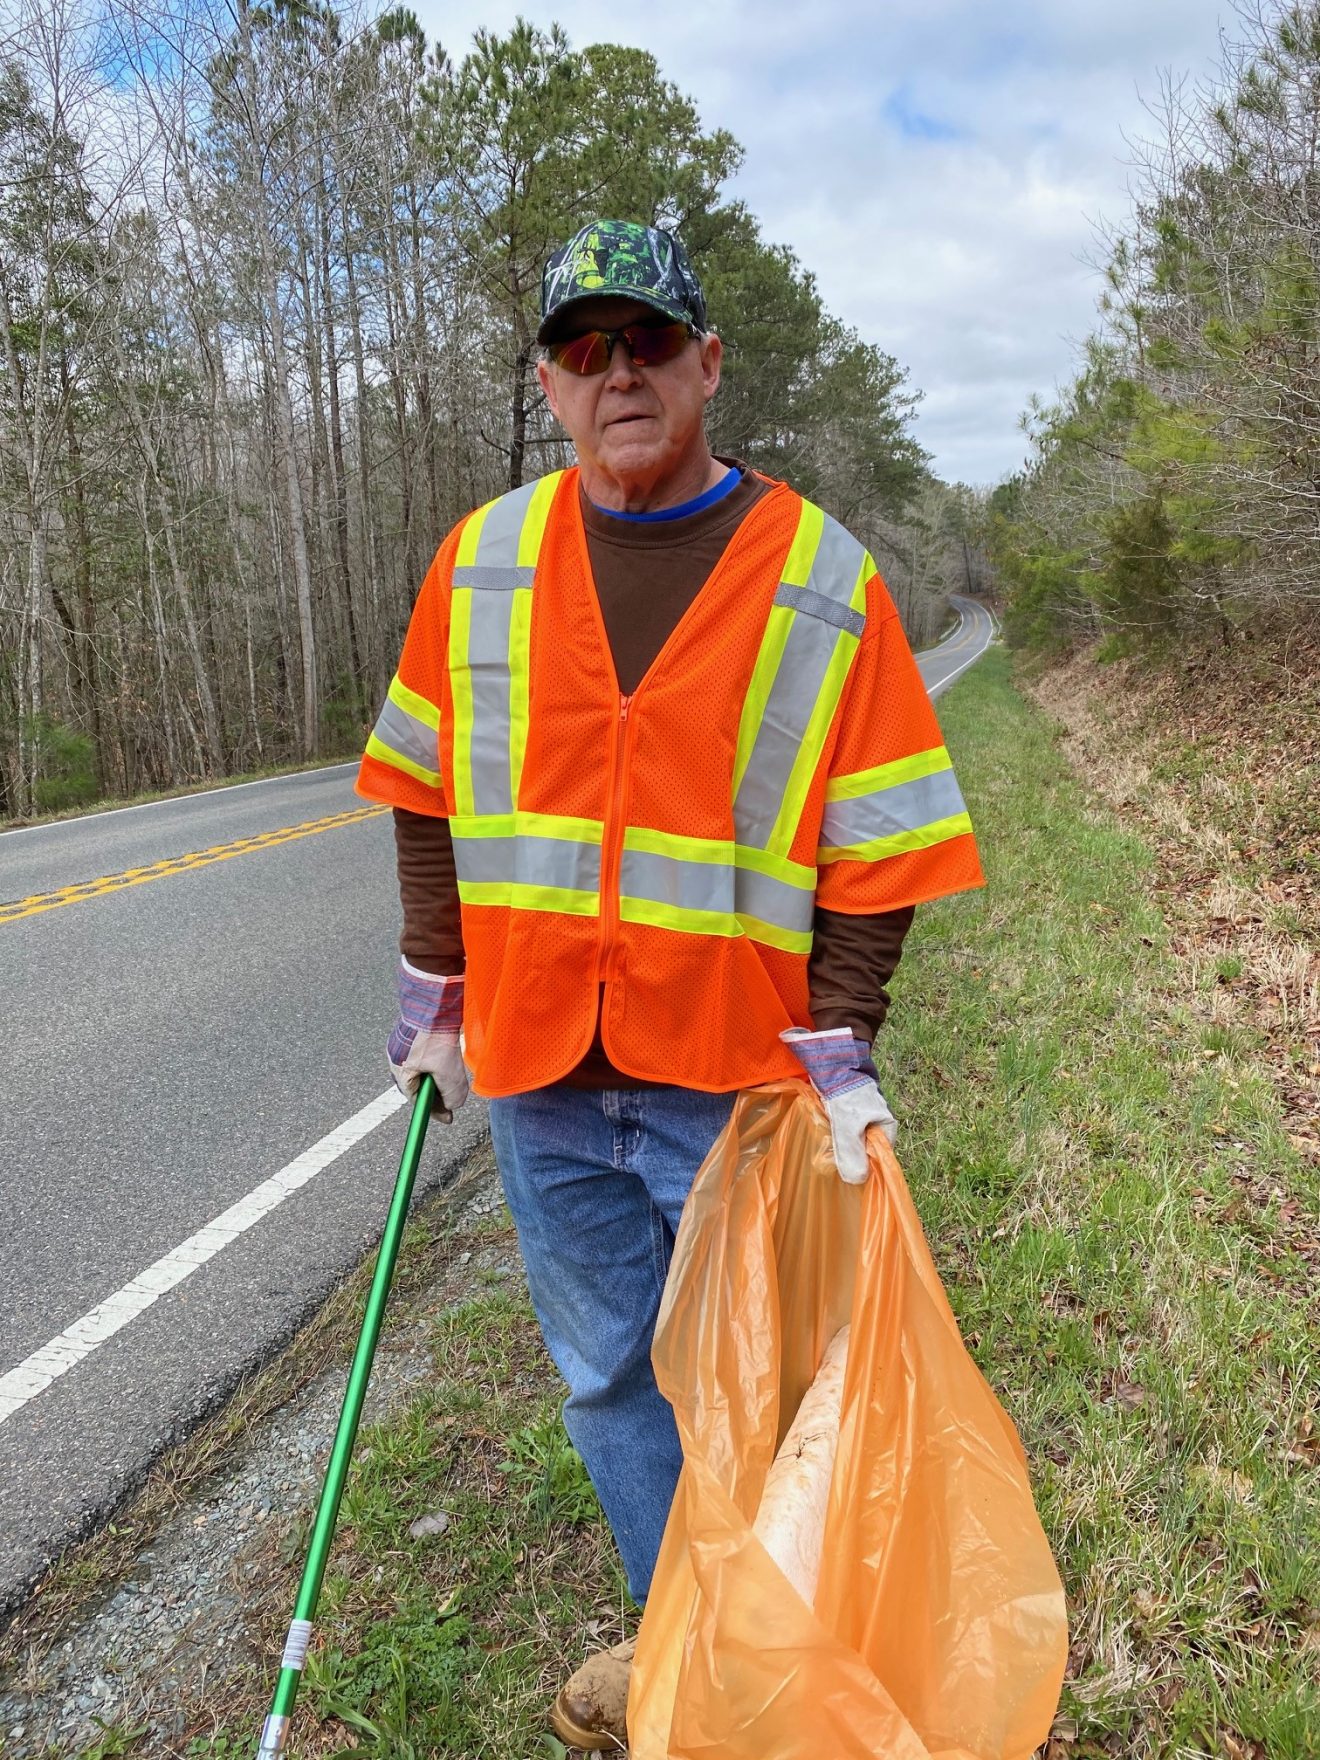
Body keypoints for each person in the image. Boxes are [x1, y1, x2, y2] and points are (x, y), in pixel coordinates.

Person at [356, 218, 983, 1749]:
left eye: (647, 342)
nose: (617, 370)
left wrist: (841, 1049)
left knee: (752, 1399)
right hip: (542, 1078)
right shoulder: (482, 561)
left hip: (734, 1081)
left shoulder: (822, 577)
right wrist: (438, 989)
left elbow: (880, 835)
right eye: (584, 348)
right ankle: (689, 1656)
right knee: (608, 1382)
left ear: (708, 363)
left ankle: (773, 1666)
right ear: (552, 386)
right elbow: (426, 790)